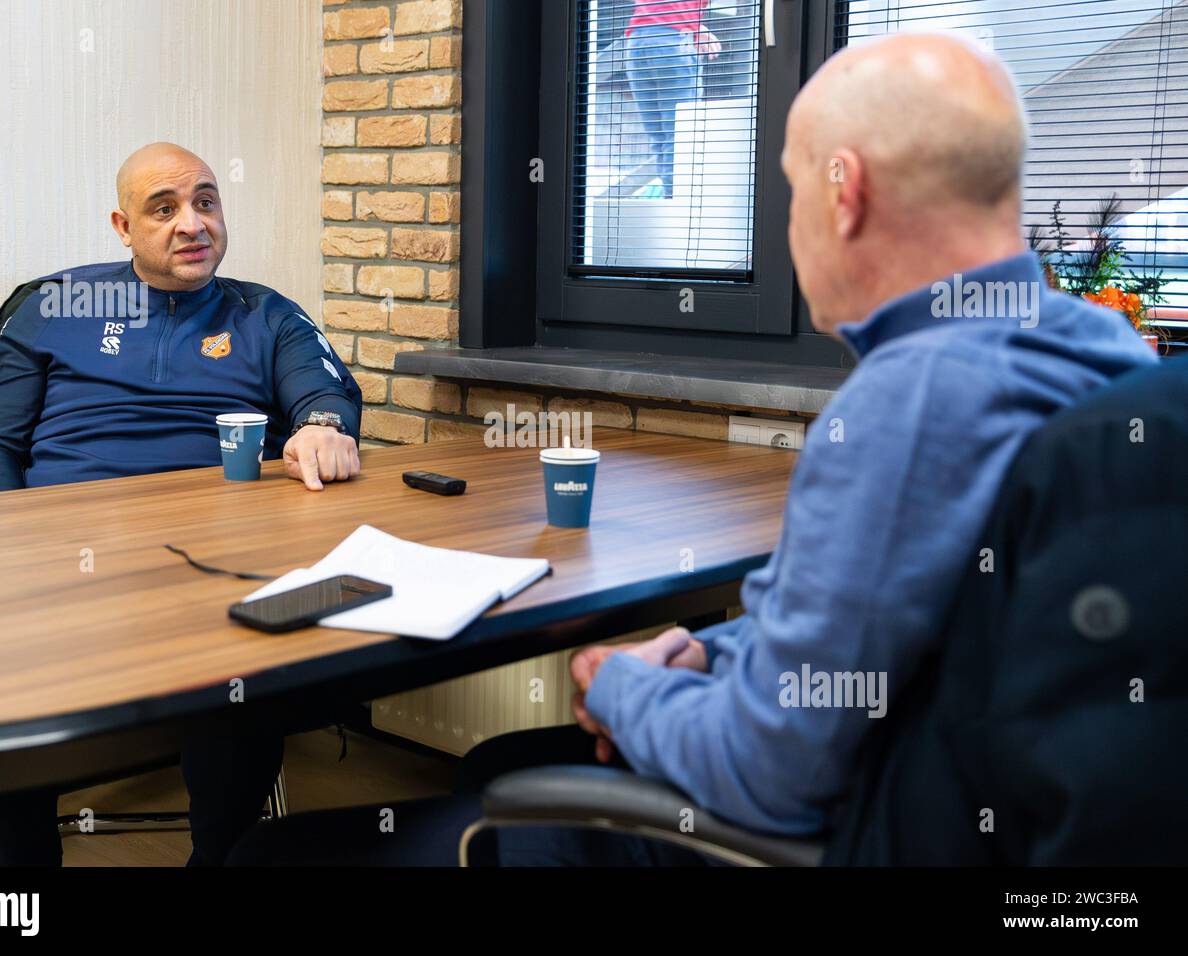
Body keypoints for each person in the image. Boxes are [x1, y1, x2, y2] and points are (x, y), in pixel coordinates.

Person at [227, 33, 1158, 866]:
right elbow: (895, 629)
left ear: (846, 193)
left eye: (790, 189)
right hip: (950, 785)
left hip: (827, 827)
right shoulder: (1106, 356)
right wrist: (714, 654)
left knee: (276, 856)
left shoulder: (908, 403)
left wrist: (625, 688)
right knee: (503, 761)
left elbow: (771, 769)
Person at [0, 142, 363, 866]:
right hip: (61, 565)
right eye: (165, 207)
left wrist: (320, 429)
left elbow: (323, 395)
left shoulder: (265, 314)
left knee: (240, 687)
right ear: (122, 226)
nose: (192, 223)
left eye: (206, 201)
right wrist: (7, 545)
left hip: (212, 566)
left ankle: (220, 858)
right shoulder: (54, 307)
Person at [624, 0, 721, 199]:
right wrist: (692, 25)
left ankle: (670, 205)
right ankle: (676, 208)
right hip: (672, 40)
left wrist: (695, 26)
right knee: (680, 136)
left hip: (637, 40)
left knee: (660, 137)